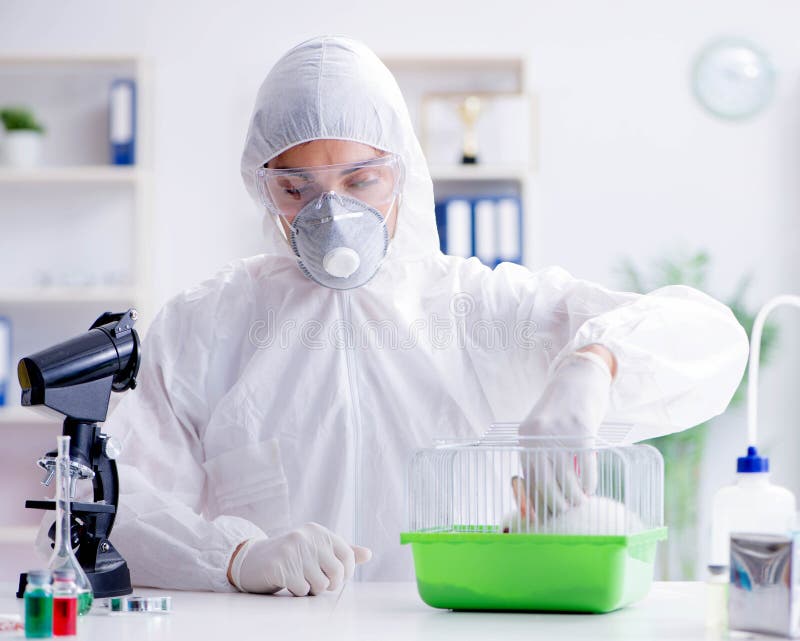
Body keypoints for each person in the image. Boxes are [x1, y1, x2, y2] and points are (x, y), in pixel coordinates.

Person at [97, 36, 748, 596]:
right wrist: (233, 558)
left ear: (402, 173)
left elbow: (713, 340)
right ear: (262, 186)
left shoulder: (485, 309)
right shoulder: (206, 326)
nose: (331, 213)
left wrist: (595, 362)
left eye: (360, 181)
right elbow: (112, 501)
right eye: (297, 188)